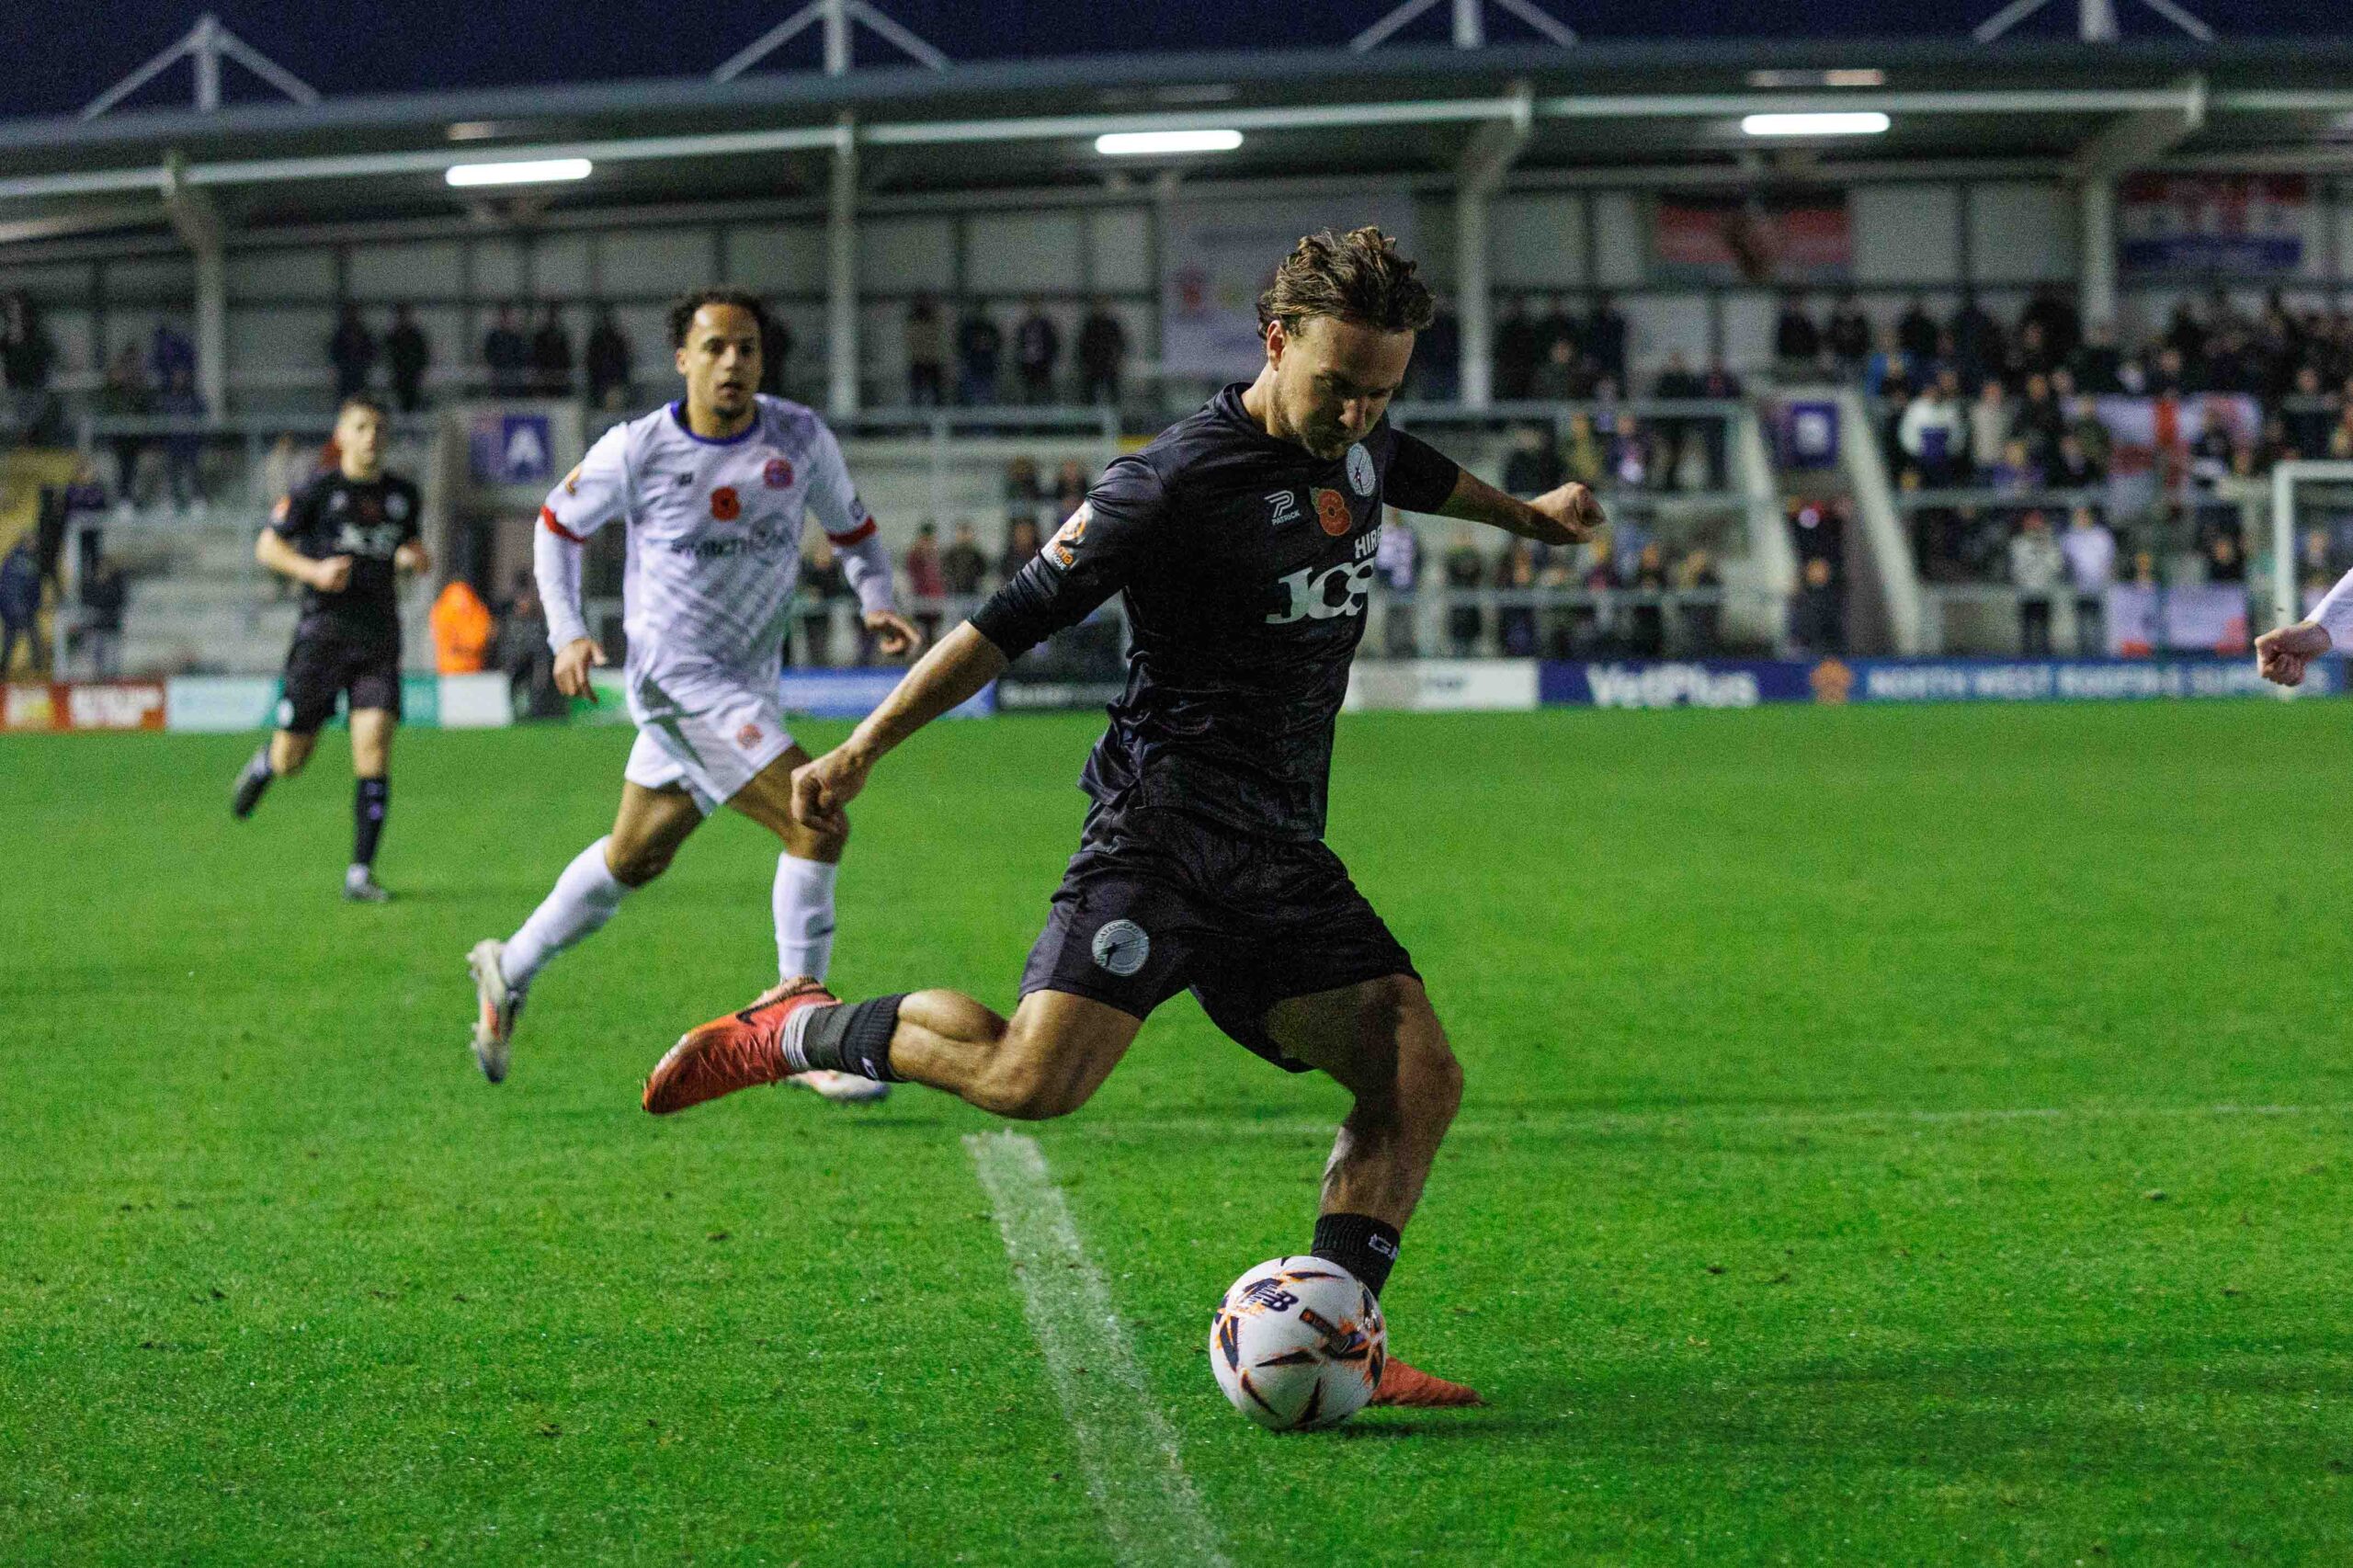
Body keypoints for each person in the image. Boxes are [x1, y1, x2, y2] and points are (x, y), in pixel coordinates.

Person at [640, 226, 1606, 1411]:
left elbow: (1408, 468)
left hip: (1281, 848)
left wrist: (1529, 517)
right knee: (1030, 1080)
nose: (1357, 413)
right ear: (1275, 342)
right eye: (1337, 386)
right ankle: (799, 1027)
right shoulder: (1167, 482)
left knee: (1416, 1072)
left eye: (1380, 391)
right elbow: (1004, 621)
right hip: (1162, 830)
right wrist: (861, 747)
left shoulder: (1357, 439)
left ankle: (1339, 1328)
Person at [463, 288, 922, 1095]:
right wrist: (566, 631)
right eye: (714, 348)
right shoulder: (638, 449)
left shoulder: (799, 438)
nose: (732, 363)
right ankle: (799, 1036)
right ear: (683, 360)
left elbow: (851, 527)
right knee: (815, 815)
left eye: (747, 348)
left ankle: (510, 966)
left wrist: (875, 595)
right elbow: (556, 525)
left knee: (635, 858)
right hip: (678, 685)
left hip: (747, 687)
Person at [230, 395, 430, 903]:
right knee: (293, 757)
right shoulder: (317, 491)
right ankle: (266, 764)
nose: (371, 436)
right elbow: (267, 546)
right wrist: (313, 571)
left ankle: (360, 873)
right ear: (341, 435)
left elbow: (408, 548)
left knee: (374, 746)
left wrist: (411, 558)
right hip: (322, 638)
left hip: (378, 638)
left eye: (378, 427)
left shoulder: (404, 495)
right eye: (360, 427)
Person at [2059, 506, 2115, 655]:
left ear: (2090, 517)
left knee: (2098, 622)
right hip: (2078, 587)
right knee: (2082, 622)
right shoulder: (2069, 538)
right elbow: (2065, 561)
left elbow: (2109, 559)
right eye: (2078, 516)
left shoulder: (2101, 535)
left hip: (2099, 586)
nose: (2081, 519)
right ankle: (2083, 654)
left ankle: (2099, 654)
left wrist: (2104, 579)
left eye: (2084, 516)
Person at [2008, 509, 2063, 657]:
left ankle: (2046, 660)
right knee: (2026, 632)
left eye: (2038, 522)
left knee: (2044, 631)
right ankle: (2027, 661)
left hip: (2044, 592)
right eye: (2031, 523)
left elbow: (2056, 567)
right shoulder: (2018, 543)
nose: (2035, 526)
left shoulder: (2051, 543)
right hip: (2026, 592)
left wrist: (2044, 546)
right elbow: (2018, 569)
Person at [430, 575, 495, 674]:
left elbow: (481, 636)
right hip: (462, 668)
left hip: (457, 668)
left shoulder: (441, 609)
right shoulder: (444, 611)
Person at [1075, 298, 1126, 406]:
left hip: (1109, 365)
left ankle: (1115, 415)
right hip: (1092, 366)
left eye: (1102, 305)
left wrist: (1117, 360)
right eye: (1098, 305)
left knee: (1113, 396)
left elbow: (1121, 344)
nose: (1100, 308)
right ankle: (1090, 417)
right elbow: (1082, 345)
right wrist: (1085, 363)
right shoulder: (1089, 325)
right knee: (1089, 398)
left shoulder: (1112, 324)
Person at [0, 537, 40, 675]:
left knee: (20, 640)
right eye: (32, 542)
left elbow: (35, 588)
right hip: (16, 609)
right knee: (16, 640)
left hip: (21, 609)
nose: (35, 545)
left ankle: (36, 669)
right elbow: (7, 588)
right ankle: (4, 671)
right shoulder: (17, 561)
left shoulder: (29, 560)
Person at [904, 521, 947, 649]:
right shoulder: (915, 556)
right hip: (920, 599)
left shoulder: (937, 556)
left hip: (935, 600)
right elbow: (913, 577)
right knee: (921, 634)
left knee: (933, 635)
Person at [585, 307, 632, 409]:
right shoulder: (597, 342)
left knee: (615, 399)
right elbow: (591, 362)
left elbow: (624, 361)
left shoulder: (616, 341)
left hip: (615, 382)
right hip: (601, 383)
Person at [386, 305, 431, 413]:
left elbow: (423, 353)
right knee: (401, 399)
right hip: (399, 372)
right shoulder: (394, 335)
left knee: (411, 397)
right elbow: (389, 354)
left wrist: (419, 367)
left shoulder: (414, 335)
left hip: (412, 373)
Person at [328, 304, 377, 402]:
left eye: (353, 313)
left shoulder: (363, 334)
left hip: (360, 374)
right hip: (345, 375)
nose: (351, 316)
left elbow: (371, 352)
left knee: (360, 399)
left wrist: (363, 363)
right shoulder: (340, 336)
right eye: (349, 313)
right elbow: (335, 353)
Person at [957, 302, 1003, 405]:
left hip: (987, 369)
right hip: (972, 368)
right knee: (971, 399)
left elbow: (998, 344)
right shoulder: (969, 328)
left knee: (986, 399)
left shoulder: (989, 327)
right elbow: (961, 347)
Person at [1015, 301, 1060, 404]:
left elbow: (1053, 344)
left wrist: (1049, 360)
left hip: (1043, 365)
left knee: (1044, 394)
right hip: (1028, 366)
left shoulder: (1046, 326)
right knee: (1029, 394)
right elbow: (1020, 345)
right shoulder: (1025, 326)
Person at [906, 296, 946, 406]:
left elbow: (938, 343)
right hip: (919, 361)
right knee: (917, 395)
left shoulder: (934, 322)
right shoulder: (913, 323)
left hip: (931, 361)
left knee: (937, 395)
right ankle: (916, 414)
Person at [483, 305, 529, 397]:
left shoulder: (517, 339)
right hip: (499, 381)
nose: (505, 320)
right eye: (503, 317)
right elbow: (489, 356)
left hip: (515, 383)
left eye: (507, 316)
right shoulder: (494, 338)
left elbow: (523, 359)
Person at [940, 519, 987, 606]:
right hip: (954, 593)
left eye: (967, 533)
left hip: (972, 592)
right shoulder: (950, 554)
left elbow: (983, 571)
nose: (964, 536)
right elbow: (945, 570)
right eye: (962, 533)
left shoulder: (977, 555)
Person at [530, 305, 574, 398]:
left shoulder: (562, 337)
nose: (553, 320)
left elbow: (566, 359)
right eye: (551, 316)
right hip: (544, 378)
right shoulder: (540, 337)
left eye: (555, 316)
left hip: (559, 379)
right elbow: (537, 357)